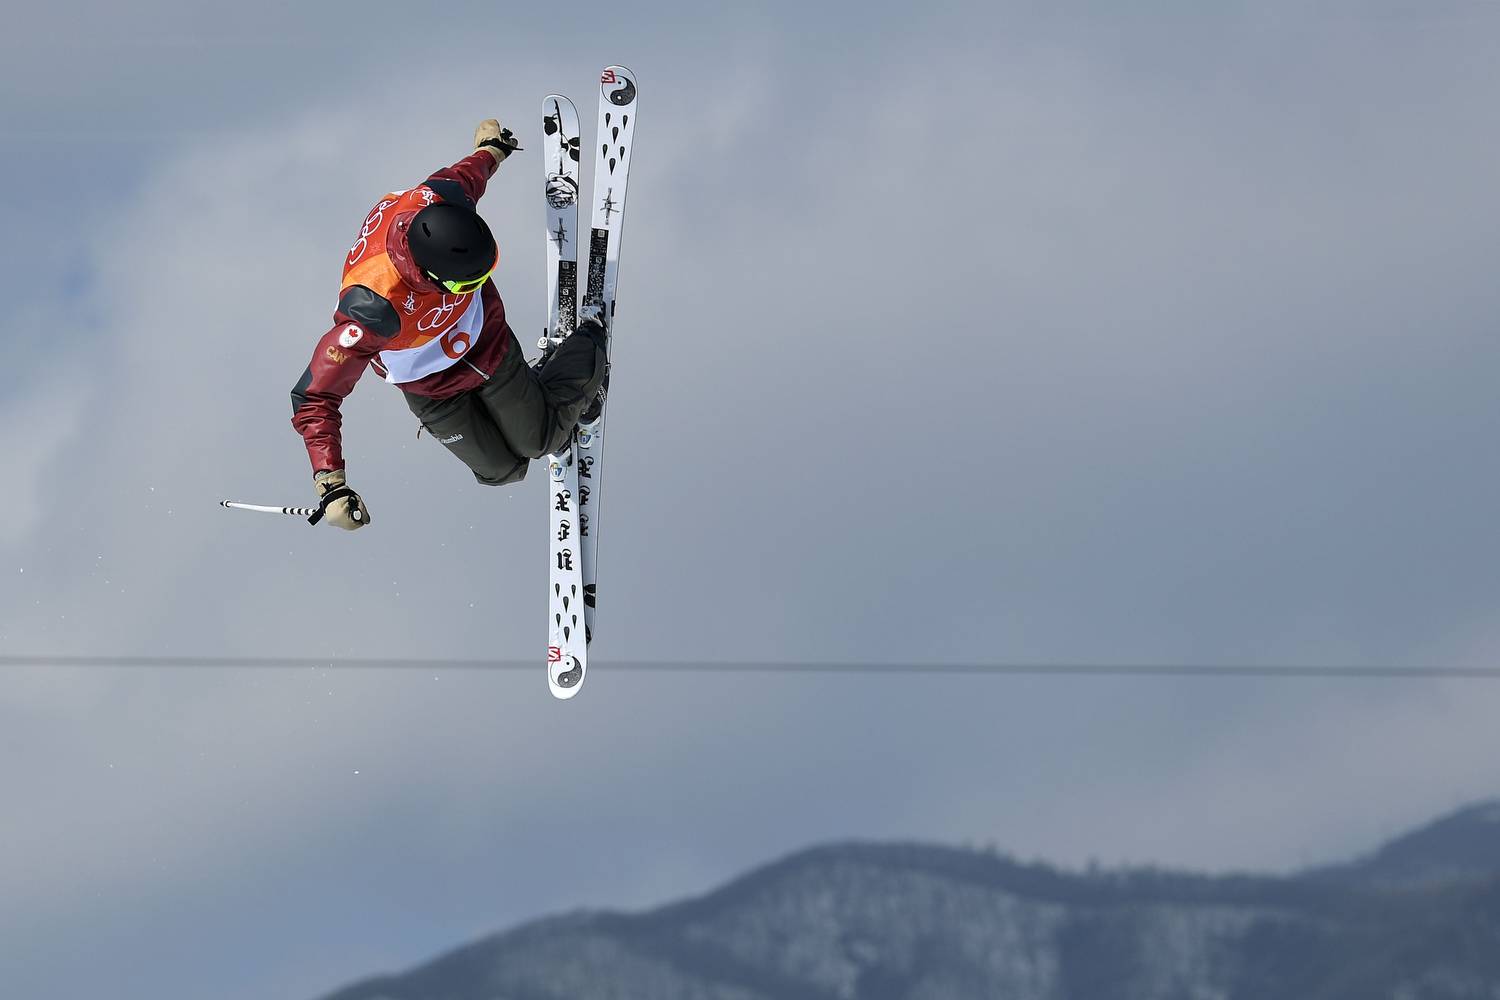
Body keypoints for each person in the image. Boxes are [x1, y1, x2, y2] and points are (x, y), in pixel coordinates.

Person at [289, 119, 608, 530]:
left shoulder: (439, 199)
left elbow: (467, 176)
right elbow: (315, 397)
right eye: (465, 284)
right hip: (433, 390)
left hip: (486, 347)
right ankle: (546, 394)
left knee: (541, 440)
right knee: (502, 471)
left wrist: (492, 150)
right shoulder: (371, 310)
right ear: (428, 276)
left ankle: (588, 343)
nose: (474, 287)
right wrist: (331, 485)